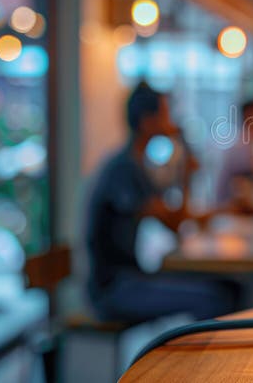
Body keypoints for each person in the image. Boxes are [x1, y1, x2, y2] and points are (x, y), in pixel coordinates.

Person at [86, 81, 237, 323]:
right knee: (213, 298)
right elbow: (174, 222)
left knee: (229, 286)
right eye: (166, 113)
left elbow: (176, 224)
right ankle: (203, 362)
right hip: (113, 288)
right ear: (148, 121)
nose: (172, 120)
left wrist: (187, 172)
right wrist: (187, 169)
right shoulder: (123, 169)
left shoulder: (135, 163)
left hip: (131, 277)